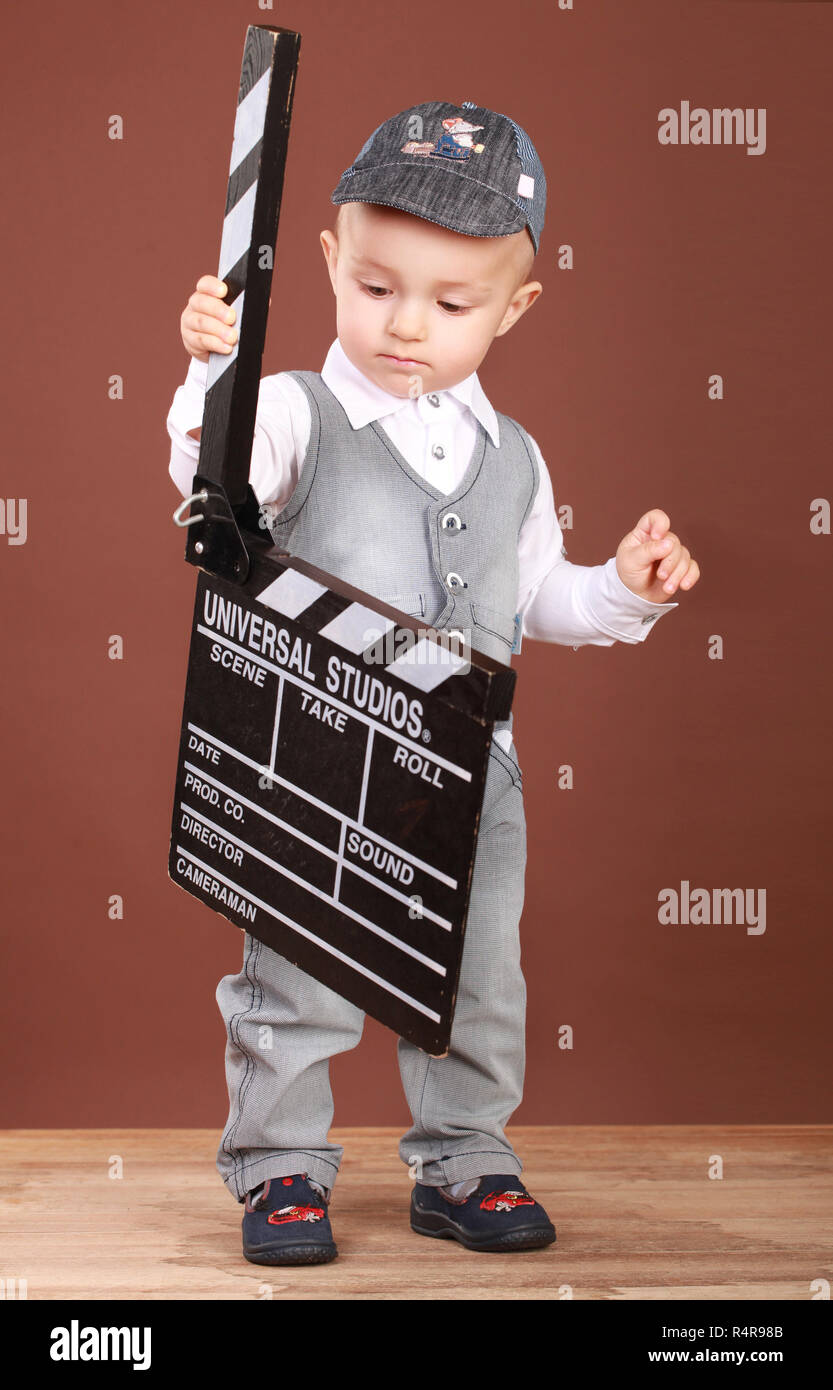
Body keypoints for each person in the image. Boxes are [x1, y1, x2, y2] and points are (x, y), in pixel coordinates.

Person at [166, 100, 700, 1266]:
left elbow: (534, 606)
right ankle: (279, 1168)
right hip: (314, 752)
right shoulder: (294, 413)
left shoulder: (516, 455)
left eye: (451, 304)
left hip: (475, 770)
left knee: (478, 974)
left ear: (514, 308)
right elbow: (216, 485)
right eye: (373, 287)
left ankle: (464, 1158)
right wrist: (216, 371)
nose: (406, 325)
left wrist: (623, 588)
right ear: (328, 262)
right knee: (297, 966)